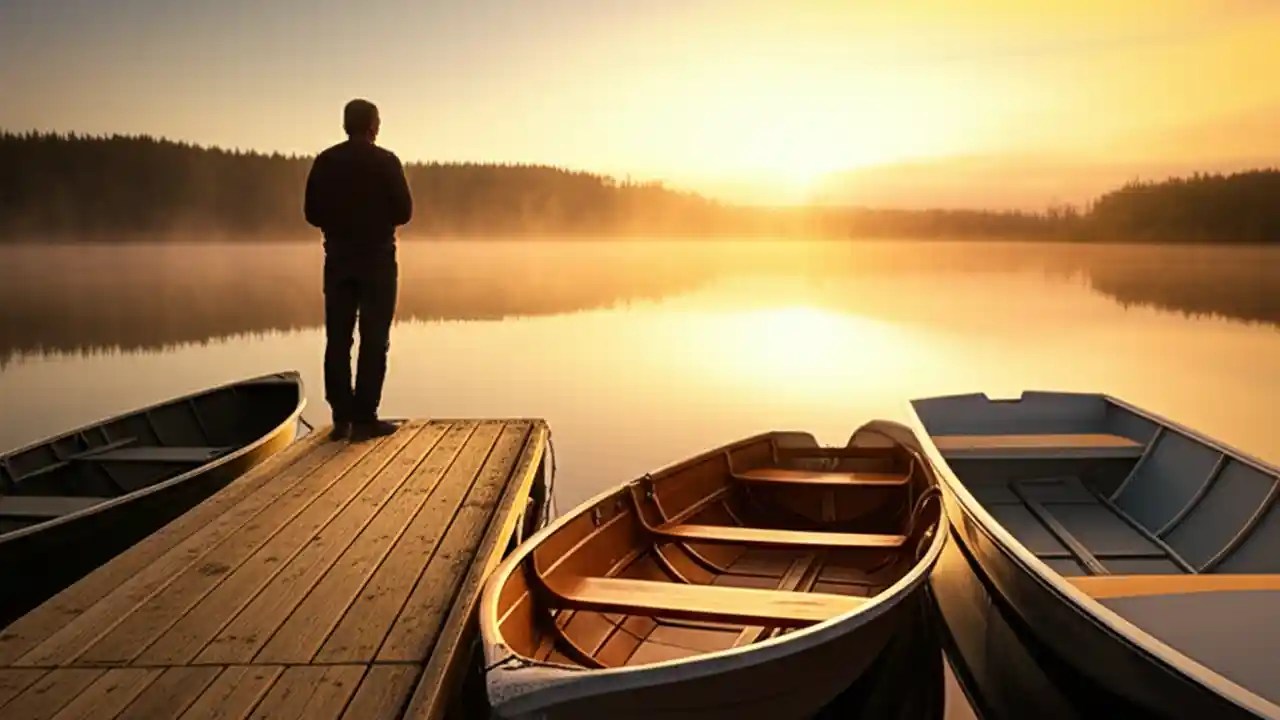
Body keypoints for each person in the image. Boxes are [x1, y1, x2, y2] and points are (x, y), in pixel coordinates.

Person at [304, 99, 412, 441]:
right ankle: (365, 417)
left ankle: (341, 416)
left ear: (345, 125)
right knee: (374, 338)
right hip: (378, 260)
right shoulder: (386, 162)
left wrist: (338, 226)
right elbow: (404, 212)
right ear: (372, 126)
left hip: (338, 259)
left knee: (338, 338)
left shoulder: (325, 161)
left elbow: (311, 212)